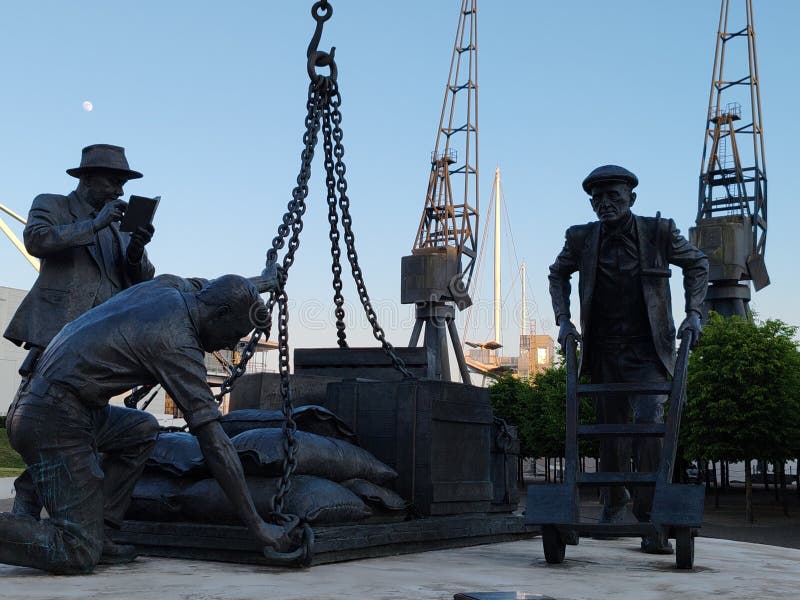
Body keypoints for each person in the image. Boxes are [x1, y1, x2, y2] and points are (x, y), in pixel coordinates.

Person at [0, 273, 299, 575]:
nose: (232, 344)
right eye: (234, 334)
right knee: (76, 550)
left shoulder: (172, 289)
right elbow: (214, 441)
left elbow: (216, 287)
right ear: (220, 314)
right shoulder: (176, 342)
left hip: (57, 405)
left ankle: (100, 528)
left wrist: (262, 282)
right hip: (53, 420)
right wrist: (258, 525)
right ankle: (86, 537)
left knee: (140, 429)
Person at [548, 165, 708, 554]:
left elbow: (698, 263)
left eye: (613, 197)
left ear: (631, 199)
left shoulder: (659, 232)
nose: (605, 204)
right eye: (598, 198)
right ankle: (614, 499)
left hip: (648, 350)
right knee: (610, 433)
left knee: (649, 423)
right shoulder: (581, 238)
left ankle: (650, 514)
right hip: (604, 351)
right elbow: (558, 274)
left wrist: (695, 312)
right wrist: (564, 321)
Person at [3, 143, 156, 523]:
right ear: (87, 178)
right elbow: (37, 240)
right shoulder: (53, 204)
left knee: (83, 423)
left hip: (103, 346)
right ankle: (26, 503)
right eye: (113, 181)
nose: (120, 191)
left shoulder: (121, 227)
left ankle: (91, 521)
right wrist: (95, 224)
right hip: (56, 337)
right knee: (37, 418)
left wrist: (136, 250)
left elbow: (142, 278)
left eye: (123, 183)